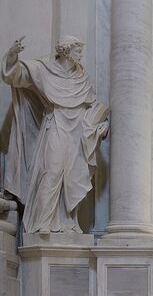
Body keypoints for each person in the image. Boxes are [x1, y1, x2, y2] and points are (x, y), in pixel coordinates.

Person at [2, 36, 109, 233]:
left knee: (72, 178)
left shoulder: (81, 77)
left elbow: (94, 107)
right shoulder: (45, 69)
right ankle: (43, 222)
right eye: (77, 50)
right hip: (57, 125)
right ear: (66, 51)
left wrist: (102, 127)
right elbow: (15, 75)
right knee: (51, 171)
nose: (81, 54)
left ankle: (68, 223)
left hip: (78, 132)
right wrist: (12, 55)